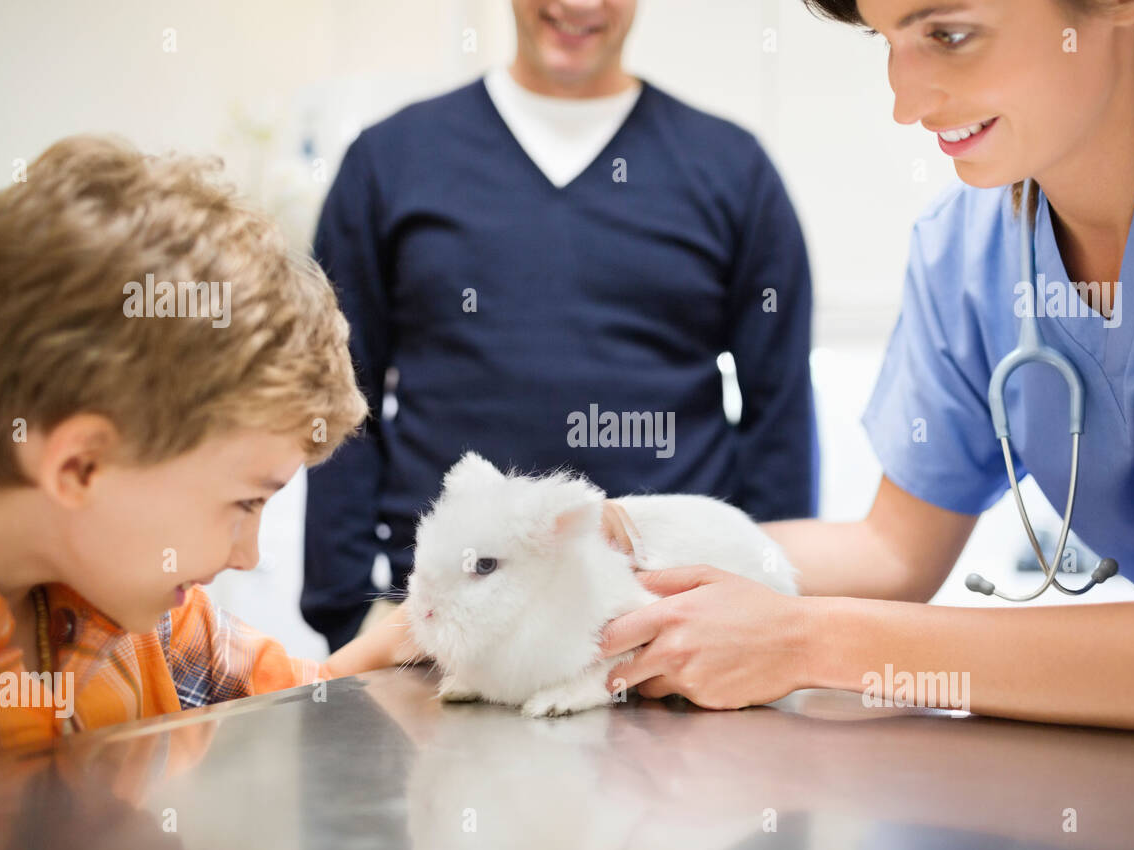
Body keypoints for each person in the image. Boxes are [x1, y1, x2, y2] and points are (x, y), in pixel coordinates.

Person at [597, 0, 1134, 736]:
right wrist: (632, 543)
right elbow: (891, 551)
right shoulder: (970, 251)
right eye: (885, 41)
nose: (905, 103)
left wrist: (804, 640)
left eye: (948, 36)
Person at [301, 0, 818, 651]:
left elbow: (781, 414)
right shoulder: (389, 160)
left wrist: (767, 609)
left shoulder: (733, 169)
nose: (579, 5)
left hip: (671, 629)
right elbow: (338, 393)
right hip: (439, 634)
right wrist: (349, 610)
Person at [0, 137, 409, 756]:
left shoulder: (153, 614)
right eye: (245, 503)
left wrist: (422, 635)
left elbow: (307, 703)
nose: (248, 554)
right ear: (80, 466)